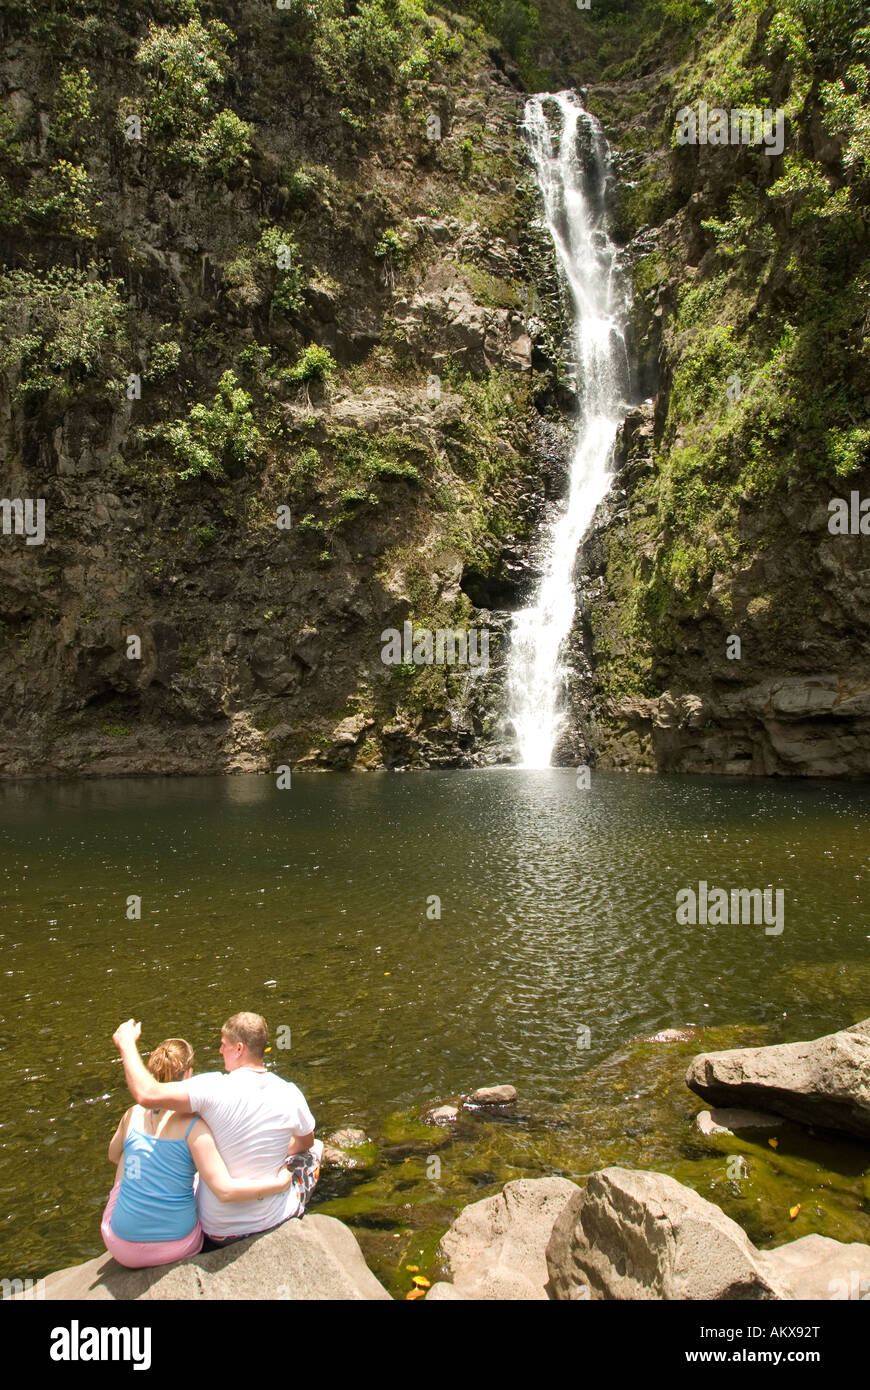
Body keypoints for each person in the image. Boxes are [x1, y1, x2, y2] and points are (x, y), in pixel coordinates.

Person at [112, 1013, 322, 1246]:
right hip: (274, 1219)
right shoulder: (289, 1092)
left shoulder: (210, 1087)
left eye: (224, 1045)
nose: (220, 1051)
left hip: (218, 1231)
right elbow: (305, 1143)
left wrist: (127, 1044)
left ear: (239, 1048)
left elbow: (147, 1094)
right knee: (315, 1151)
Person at [102, 1037, 296, 1269]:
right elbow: (224, 1190)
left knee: (129, 1154)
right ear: (189, 1073)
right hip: (176, 1246)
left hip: (121, 1246)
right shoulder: (195, 1125)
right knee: (199, 1172)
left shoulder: (132, 1114)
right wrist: (279, 1184)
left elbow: (114, 1156)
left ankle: (137, 1215)